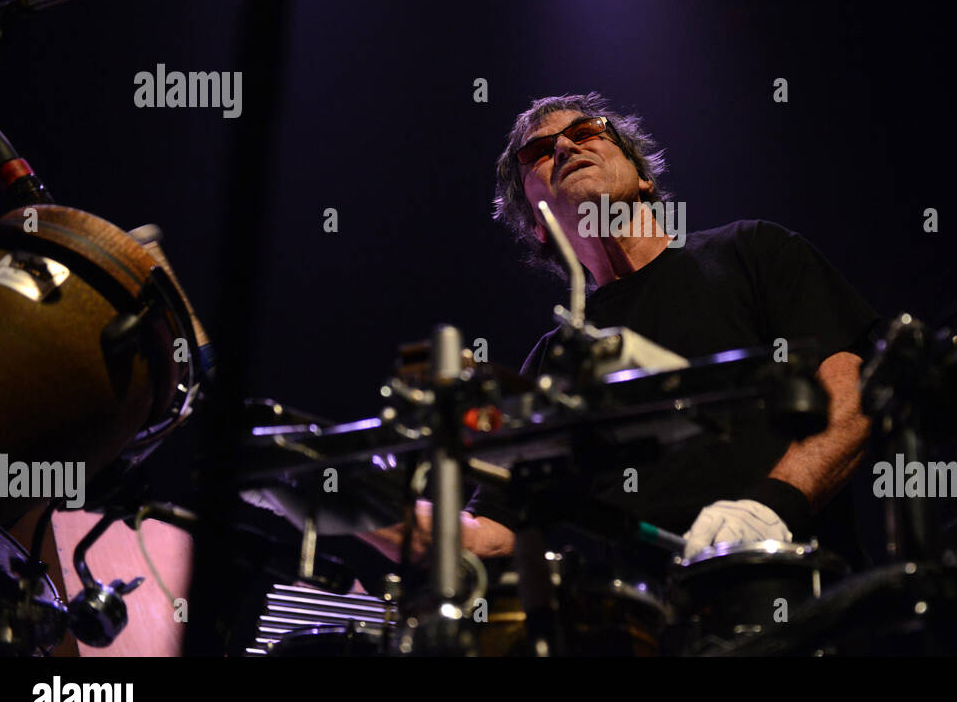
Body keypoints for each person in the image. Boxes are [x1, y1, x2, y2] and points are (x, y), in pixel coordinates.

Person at [360, 92, 878, 563]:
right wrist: (350, 500)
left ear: (642, 176)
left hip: (802, 592)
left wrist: (771, 509)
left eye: (586, 132)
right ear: (536, 223)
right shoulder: (550, 364)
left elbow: (853, 388)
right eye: (538, 152)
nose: (564, 146)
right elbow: (493, 531)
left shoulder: (754, 252)